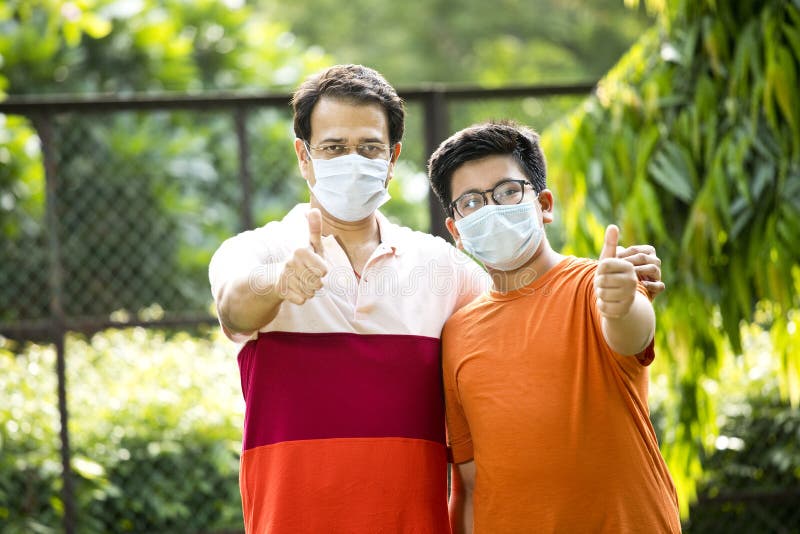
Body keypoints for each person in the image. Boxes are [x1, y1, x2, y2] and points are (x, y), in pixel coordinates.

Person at [209, 65, 665, 533]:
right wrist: (280, 283)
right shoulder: (255, 251)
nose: (353, 160)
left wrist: (616, 287)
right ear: (304, 157)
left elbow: (528, 298)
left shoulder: (444, 268)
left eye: (369, 148)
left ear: (392, 157)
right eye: (333, 148)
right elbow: (232, 307)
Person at [427, 120, 681, 533]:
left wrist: (619, 303)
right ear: (456, 230)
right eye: (471, 202)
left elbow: (631, 330)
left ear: (543, 204)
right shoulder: (456, 333)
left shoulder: (596, 283)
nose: (491, 209)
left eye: (508, 192)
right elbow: (470, 485)